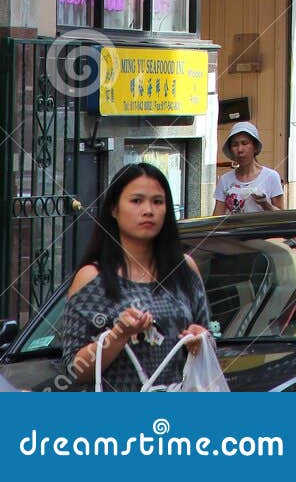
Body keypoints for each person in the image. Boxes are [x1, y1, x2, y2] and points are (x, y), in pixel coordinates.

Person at [61, 163, 211, 391]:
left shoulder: (185, 268)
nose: (148, 210)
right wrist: (119, 335)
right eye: (136, 201)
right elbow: (74, 371)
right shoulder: (92, 278)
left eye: (157, 202)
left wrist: (201, 340)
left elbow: (209, 341)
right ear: (114, 209)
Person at [213, 121, 285, 215]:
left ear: (254, 147)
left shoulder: (271, 177)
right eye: (235, 145)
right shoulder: (225, 180)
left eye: (245, 143)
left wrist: (265, 204)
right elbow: (217, 218)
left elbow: (282, 217)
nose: (240, 150)